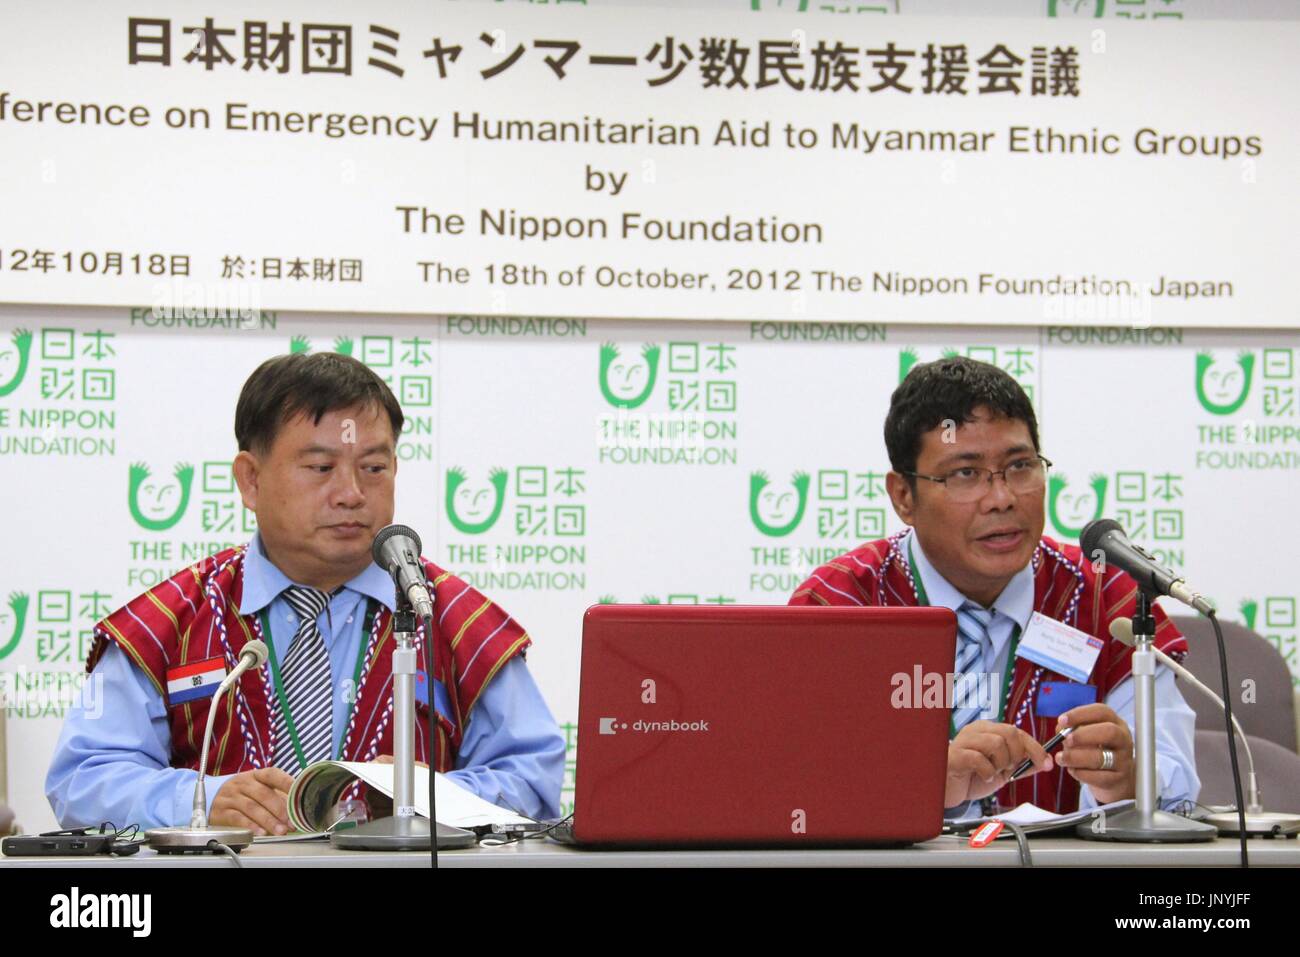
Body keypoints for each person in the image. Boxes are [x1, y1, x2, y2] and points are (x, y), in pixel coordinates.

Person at [47, 352, 565, 835]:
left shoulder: (448, 616)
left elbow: (534, 777)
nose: (352, 493)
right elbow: (82, 779)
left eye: (374, 468)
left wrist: (436, 800)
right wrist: (202, 799)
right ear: (250, 480)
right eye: (321, 468)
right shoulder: (171, 620)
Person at [790, 357, 1199, 816]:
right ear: (904, 496)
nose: (1002, 498)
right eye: (965, 474)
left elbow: (1174, 775)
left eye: (1020, 466)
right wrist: (919, 784)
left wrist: (1129, 781)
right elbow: (794, 785)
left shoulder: (1108, 599)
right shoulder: (841, 605)